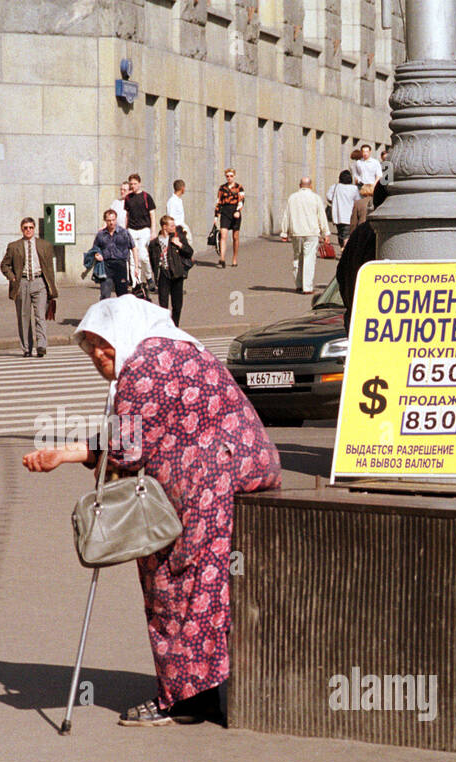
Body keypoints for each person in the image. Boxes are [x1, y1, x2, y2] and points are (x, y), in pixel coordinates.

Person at [21, 296, 281, 726]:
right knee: (197, 580)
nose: (100, 357)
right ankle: (198, 689)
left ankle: (186, 699)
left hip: (208, 477)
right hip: (227, 465)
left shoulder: (144, 363)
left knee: (177, 579)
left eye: (104, 346)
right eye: (92, 349)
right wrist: (71, 454)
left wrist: (73, 455)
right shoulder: (165, 346)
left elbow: (128, 447)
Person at [0, 216, 59, 357]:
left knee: (40, 316)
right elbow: (4, 265)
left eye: (31, 227)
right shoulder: (14, 246)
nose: (28, 230)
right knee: (24, 317)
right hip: (22, 283)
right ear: (22, 229)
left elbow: (50, 269)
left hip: (40, 282)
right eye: (25, 228)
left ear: (34, 229)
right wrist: (12, 277)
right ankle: (26, 348)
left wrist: (52, 290)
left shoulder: (45, 245)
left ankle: (41, 346)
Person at [337, 180, 389, 332]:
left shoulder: (360, 233)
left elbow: (342, 273)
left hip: (357, 316)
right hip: (375, 321)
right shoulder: (385, 233)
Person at [279, 176, 330, 294]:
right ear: (311, 185)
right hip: (312, 232)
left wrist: (284, 232)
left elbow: (287, 215)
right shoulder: (316, 198)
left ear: (299, 185)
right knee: (309, 259)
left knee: (297, 257)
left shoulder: (292, 198)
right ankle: (307, 287)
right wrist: (325, 232)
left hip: (296, 232)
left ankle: (298, 284)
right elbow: (321, 216)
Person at [147, 215, 194, 325]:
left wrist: (180, 244)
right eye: (171, 226)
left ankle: (175, 326)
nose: (174, 227)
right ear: (164, 227)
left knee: (177, 305)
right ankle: (166, 327)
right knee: (163, 306)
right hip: (163, 274)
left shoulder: (178, 237)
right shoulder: (154, 243)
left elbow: (189, 252)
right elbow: (152, 258)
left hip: (177, 273)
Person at [91, 208, 135, 299]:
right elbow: (95, 249)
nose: (111, 222)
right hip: (106, 265)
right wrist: (96, 255)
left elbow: (133, 248)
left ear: (116, 219)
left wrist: (136, 267)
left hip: (120, 265)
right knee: (105, 294)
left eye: (113, 220)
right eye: (109, 220)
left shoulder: (124, 233)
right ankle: (105, 312)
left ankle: (123, 313)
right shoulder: (101, 234)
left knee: (123, 295)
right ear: (105, 221)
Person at [124, 173, 158, 290]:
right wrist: (125, 230)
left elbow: (152, 214)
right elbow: (127, 215)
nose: (133, 186)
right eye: (131, 184)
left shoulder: (146, 197)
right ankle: (136, 283)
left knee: (143, 255)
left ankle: (149, 277)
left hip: (144, 229)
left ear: (139, 184)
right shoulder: (128, 198)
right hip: (132, 230)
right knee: (133, 258)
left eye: (134, 184)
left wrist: (153, 230)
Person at [214, 167, 245, 268]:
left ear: (234, 176)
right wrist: (216, 217)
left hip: (235, 212)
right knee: (223, 235)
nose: (229, 178)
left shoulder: (239, 187)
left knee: (235, 237)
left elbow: (241, 200)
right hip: (225, 212)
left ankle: (234, 258)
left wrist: (238, 211)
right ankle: (222, 258)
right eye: (227, 176)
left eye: (231, 176)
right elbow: (218, 202)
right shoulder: (222, 188)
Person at [327, 171, 359, 248]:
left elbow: (328, 197)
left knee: (341, 234)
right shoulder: (354, 188)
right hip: (349, 216)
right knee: (346, 235)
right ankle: (345, 251)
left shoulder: (335, 187)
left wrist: (335, 201)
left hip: (337, 216)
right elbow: (358, 200)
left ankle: (343, 248)